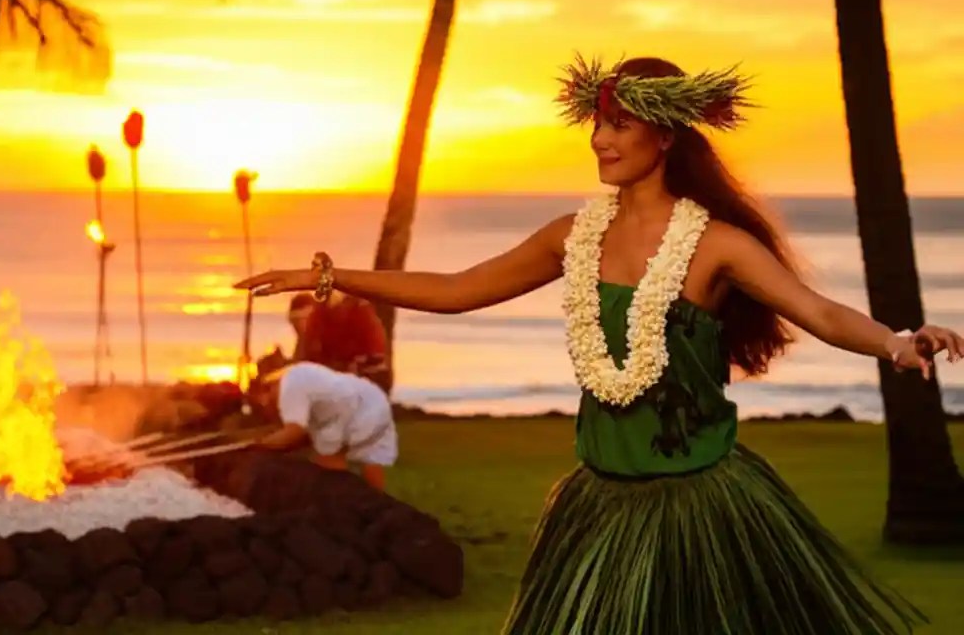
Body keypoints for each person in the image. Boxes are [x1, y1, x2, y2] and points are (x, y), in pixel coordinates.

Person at [235, 56, 962, 633]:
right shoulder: (571, 236)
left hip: (700, 507)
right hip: (600, 506)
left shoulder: (715, 245)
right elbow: (458, 288)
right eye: (597, 124)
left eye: (620, 124)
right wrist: (328, 277)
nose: (601, 140)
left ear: (666, 136)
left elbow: (818, 310)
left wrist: (896, 343)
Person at [250, 360, 397, 490]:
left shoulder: (289, 386)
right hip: (361, 399)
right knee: (335, 460)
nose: (265, 401)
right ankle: (363, 502)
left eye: (265, 392)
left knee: (338, 462)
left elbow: (295, 431)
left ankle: (370, 503)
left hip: (356, 407)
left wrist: (261, 445)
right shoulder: (299, 376)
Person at [291, 290, 392, 393]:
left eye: (302, 319)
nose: (299, 325)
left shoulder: (357, 313)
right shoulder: (317, 323)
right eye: (295, 321)